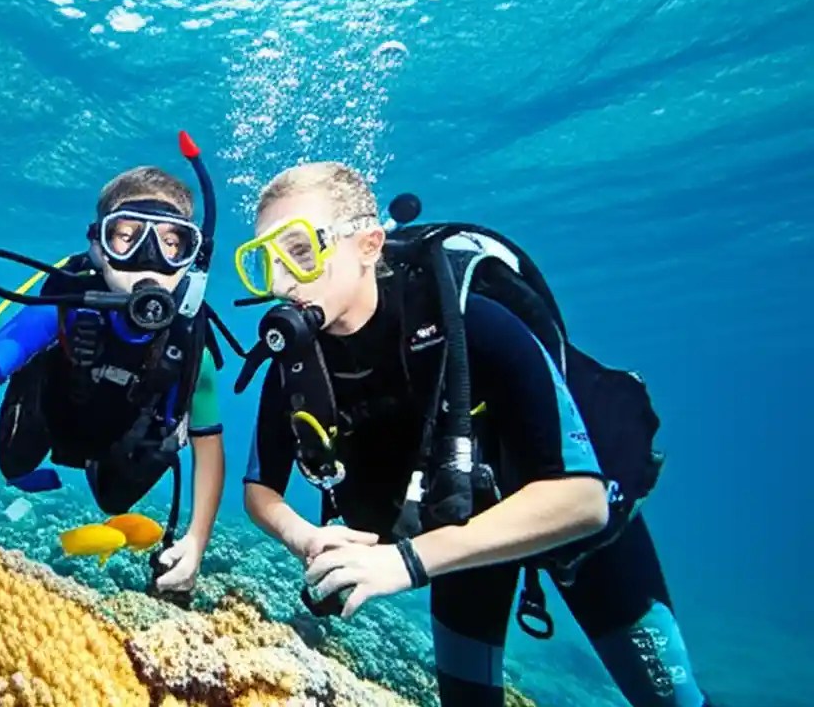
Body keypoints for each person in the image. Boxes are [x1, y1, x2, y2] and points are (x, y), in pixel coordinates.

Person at [232, 161, 712, 706]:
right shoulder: (296, 361)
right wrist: (303, 535)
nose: (279, 282)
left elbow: (584, 502)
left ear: (368, 245)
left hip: (577, 542)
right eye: (262, 262)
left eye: (299, 250)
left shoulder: (470, 321)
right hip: (458, 543)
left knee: (675, 702)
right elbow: (260, 489)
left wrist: (406, 561)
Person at [0, 134, 234, 596]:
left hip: (124, 429)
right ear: (98, 249)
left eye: (172, 244)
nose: (149, 260)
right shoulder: (62, 307)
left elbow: (210, 449)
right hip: (55, 409)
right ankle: (34, 434)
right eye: (126, 237)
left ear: (191, 260)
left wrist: (196, 542)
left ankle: (101, 466)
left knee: (115, 502)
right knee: (14, 464)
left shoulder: (191, 342)